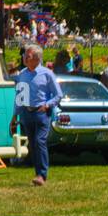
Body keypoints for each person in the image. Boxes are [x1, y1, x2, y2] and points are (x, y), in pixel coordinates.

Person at [14, 44, 62, 186]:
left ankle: (42, 175)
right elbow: (19, 96)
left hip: (41, 113)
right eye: (24, 55)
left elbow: (58, 95)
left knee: (40, 142)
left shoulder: (47, 74)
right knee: (33, 145)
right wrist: (14, 115)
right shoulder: (22, 74)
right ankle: (38, 174)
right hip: (26, 113)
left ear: (36, 58)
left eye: (27, 56)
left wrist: (47, 105)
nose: (24, 58)